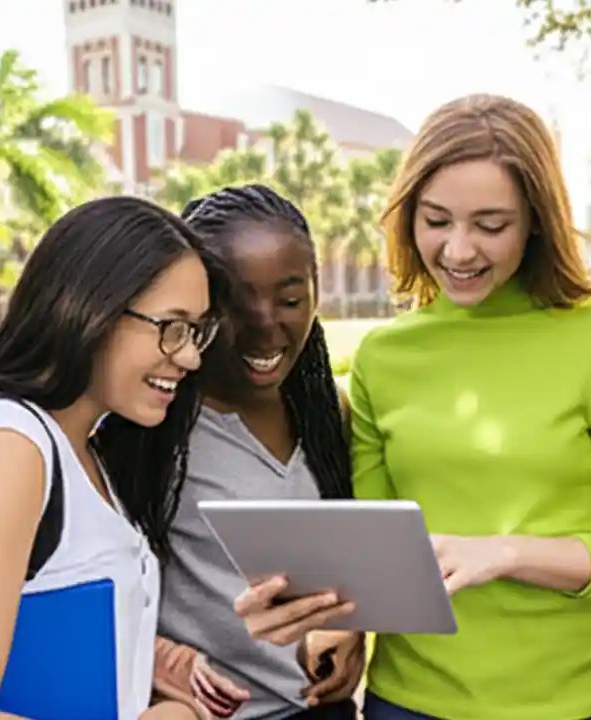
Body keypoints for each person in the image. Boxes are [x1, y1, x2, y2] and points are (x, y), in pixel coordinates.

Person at [235, 94, 591, 719]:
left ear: (536, 222)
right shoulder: (386, 356)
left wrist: (501, 552)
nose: (459, 250)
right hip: (409, 704)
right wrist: (328, 621)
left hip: (571, 705)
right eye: (436, 220)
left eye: (491, 225)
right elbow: (376, 547)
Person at [0, 196, 230, 720]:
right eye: (172, 326)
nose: (189, 356)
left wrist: (148, 657)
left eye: (197, 331)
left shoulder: (85, 448)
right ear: (89, 308)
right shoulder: (6, 452)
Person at [152, 185, 364, 720]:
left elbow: (356, 560)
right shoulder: (154, 427)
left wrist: (349, 628)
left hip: (322, 711)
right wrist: (158, 660)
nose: (266, 325)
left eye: (290, 301)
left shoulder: (329, 414)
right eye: (235, 304)